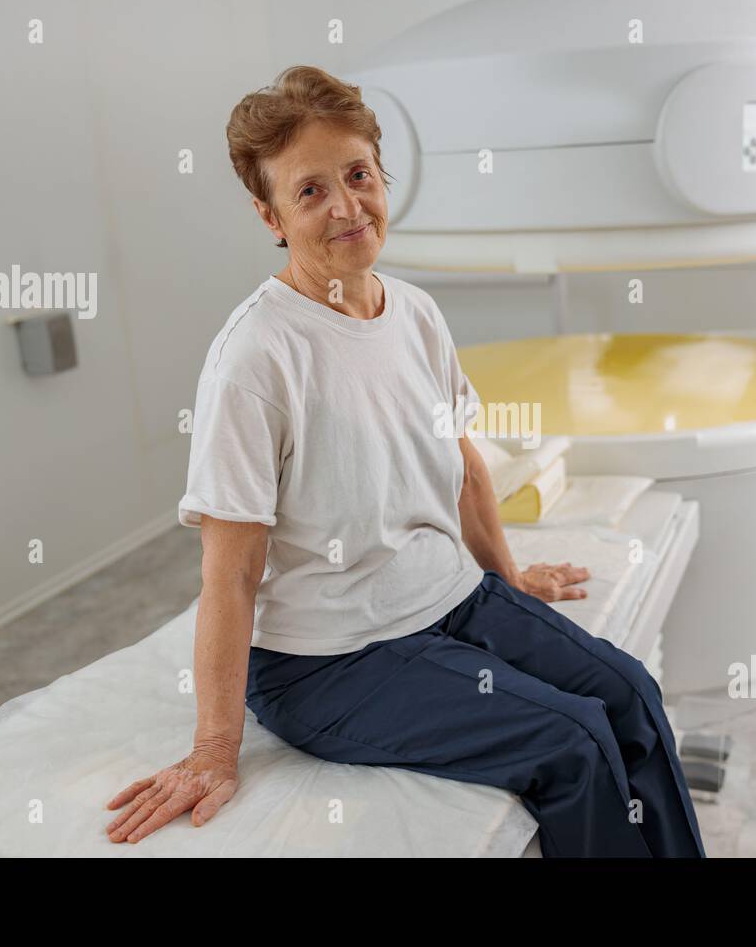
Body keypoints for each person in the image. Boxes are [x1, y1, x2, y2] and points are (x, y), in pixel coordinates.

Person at [104, 65, 705, 857]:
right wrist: (214, 749)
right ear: (270, 215)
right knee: (577, 742)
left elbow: (465, 473)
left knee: (630, 694)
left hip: (448, 596)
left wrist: (508, 576)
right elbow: (231, 575)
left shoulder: (415, 314)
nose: (347, 206)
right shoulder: (255, 359)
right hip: (329, 663)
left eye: (358, 175)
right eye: (310, 191)